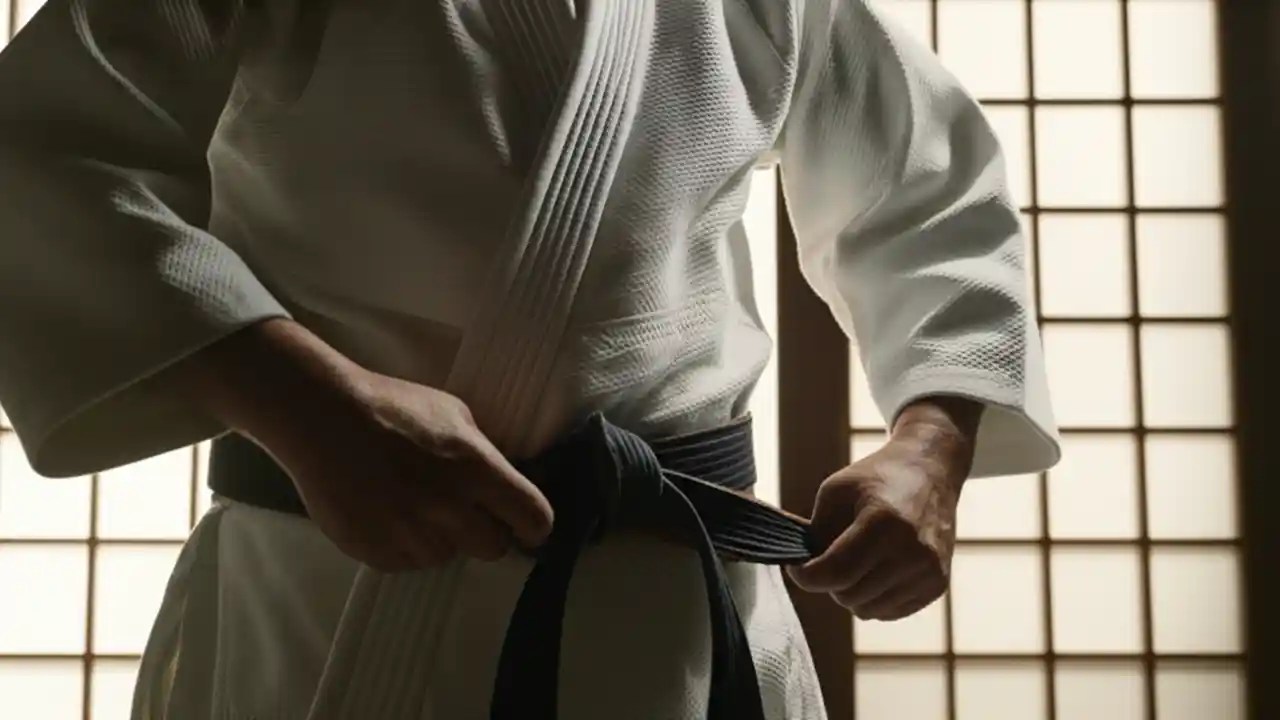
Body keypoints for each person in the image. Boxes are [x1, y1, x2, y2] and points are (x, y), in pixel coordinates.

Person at [0, 0, 1061, 718]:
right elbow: (40, 153)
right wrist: (304, 404)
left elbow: (928, 189)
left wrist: (930, 444)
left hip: (672, 597)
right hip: (331, 574)